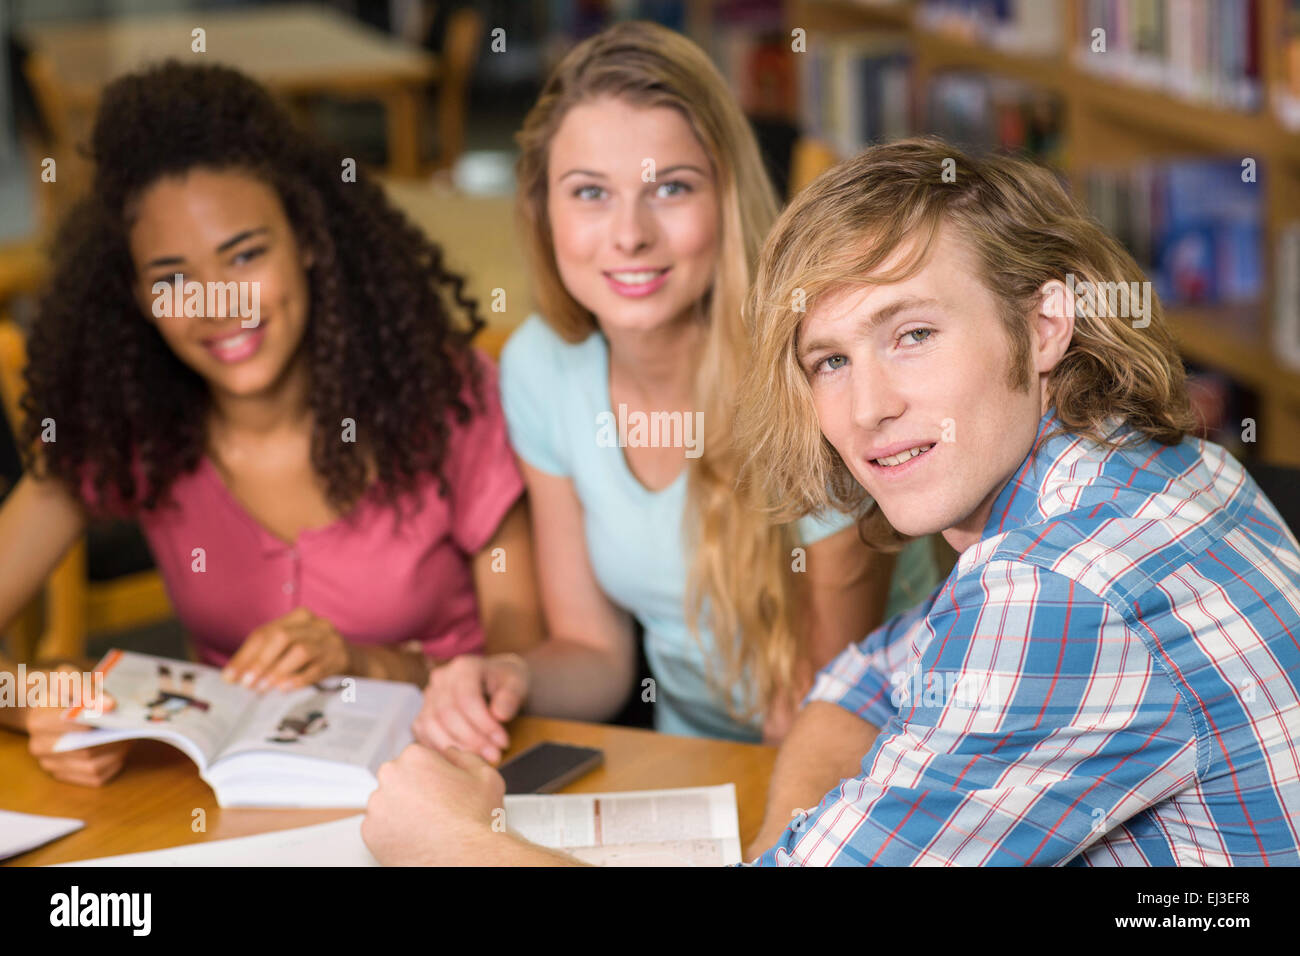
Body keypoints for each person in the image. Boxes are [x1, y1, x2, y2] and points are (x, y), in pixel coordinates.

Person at [360, 137, 1300, 866]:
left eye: (915, 334)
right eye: (832, 361)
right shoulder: (1141, 466)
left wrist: (454, 843)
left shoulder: (1059, 589)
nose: (870, 408)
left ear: (1045, 322)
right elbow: (862, 684)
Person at [0, 61, 543, 786]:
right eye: (172, 278)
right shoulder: (125, 417)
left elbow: (524, 660)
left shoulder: (443, 396)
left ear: (310, 240)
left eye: (246, 255)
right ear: (134, 295)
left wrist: (369, 666)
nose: (217, 303)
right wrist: (37, 698)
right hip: (237, 817)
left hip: (458, 788)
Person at [411, 20, 938, 760]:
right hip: (687, 770)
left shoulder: (813, 366)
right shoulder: (542, 366)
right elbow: (597, 657)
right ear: (541, 210)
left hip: (880, 758)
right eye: (589, 192)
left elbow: (826, 710)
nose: (629, 234)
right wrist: (503, 674)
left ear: (726, 199)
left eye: (671, 188)